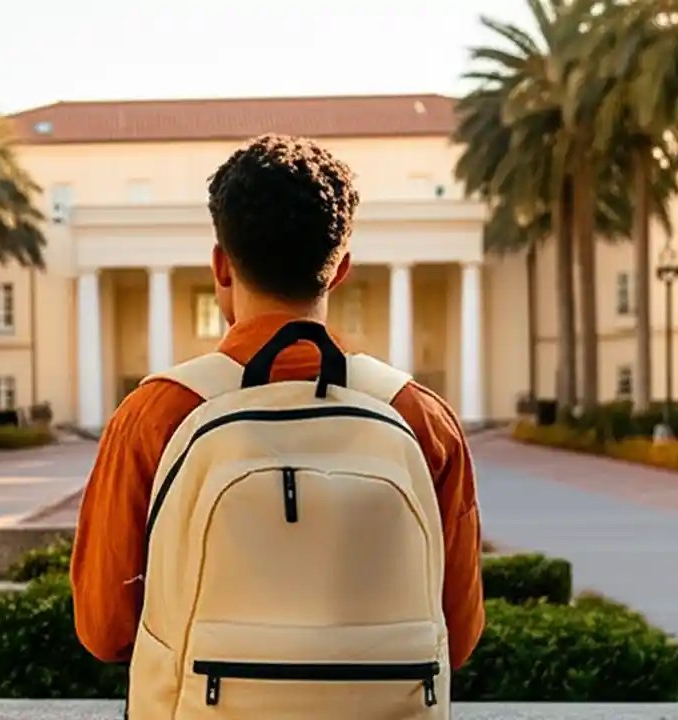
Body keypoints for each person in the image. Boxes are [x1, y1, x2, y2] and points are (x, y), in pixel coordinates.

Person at [70, 133, 484, 675]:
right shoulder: (419, 417)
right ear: (340, 269)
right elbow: (459, 634)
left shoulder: (156, 415)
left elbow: (104, 629)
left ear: (220, 266)